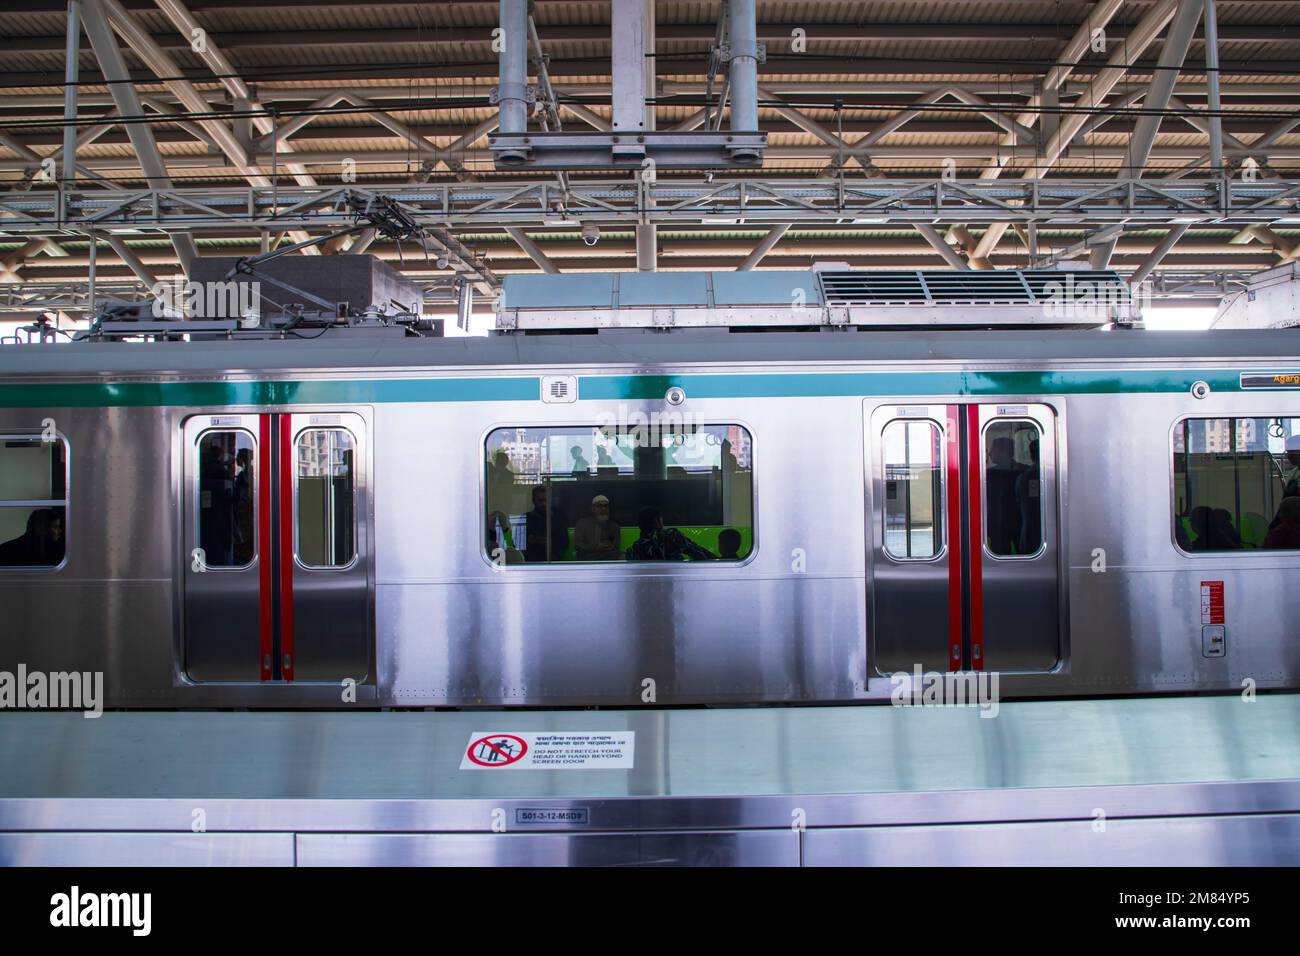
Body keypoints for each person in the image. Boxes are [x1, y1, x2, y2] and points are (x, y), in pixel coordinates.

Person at [626, 507, 716, 561]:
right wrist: (718, 560)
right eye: (660, 519)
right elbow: (696, 552)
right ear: (657, 521)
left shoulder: (633, 550)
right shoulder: (671, 536)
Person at [0, 507, 65, 567]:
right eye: (55, 527)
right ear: (42, 529)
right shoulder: (7, 550)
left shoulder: (6, 548)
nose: (60, 530)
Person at [524, 483, 569, 562]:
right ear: (533, 500)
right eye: (540, 500)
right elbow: (518, 545)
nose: (543, 504)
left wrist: (537, 539)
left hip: (554, 561)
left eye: (546, 500)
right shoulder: (526, 518)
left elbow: (564, 543)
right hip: (532, 563)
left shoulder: (558, 518)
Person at [574, 495, 622, 560]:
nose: (603, 508)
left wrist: (606, 546)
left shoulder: (614, 525)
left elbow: (616, 545)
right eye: (599, 506)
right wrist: (594, 547)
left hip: (608, 556)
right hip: (588, 557)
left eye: (605, 506)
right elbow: (578, 545)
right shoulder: (582, 523)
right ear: (593, 508)